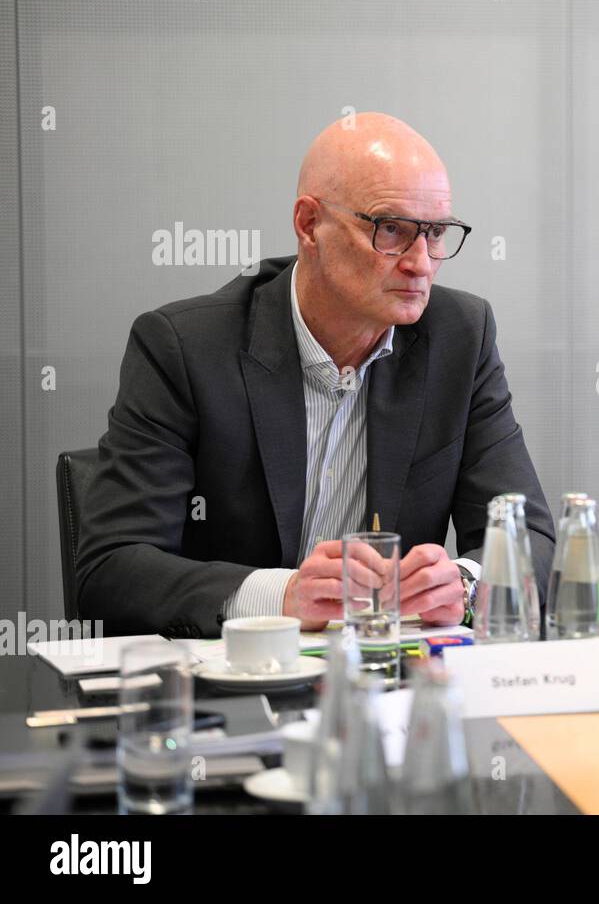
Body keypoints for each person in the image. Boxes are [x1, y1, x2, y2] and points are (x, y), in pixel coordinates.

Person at [78, 113, 554, 636]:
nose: (420, 263)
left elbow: (529, 533)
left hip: (388, 683)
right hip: (233, 690)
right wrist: (281, 595)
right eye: (390, 229)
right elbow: (112, 569)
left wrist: (464, 583)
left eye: (435, 233)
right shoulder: (184, 348)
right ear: (309, 225)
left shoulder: (460, 337)